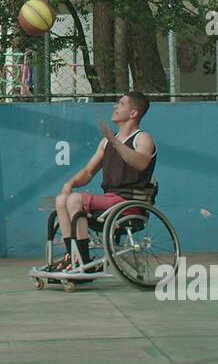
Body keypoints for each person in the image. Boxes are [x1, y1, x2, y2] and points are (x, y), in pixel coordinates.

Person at [47, 92, 157, 272]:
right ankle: (72, 256)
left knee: (75, 200)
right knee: (62, 199)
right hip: (110, 201)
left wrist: (115, 141)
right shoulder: (106, 142)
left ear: (133, 113)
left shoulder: (142, 138)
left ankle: (83, 261)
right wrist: (70, 183)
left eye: (121, 104)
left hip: (128, 202)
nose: (115, 107)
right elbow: (88, 172)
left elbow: (141, 162)